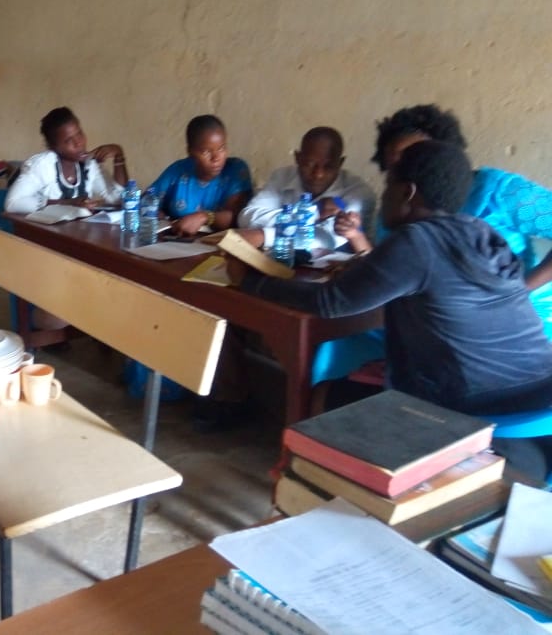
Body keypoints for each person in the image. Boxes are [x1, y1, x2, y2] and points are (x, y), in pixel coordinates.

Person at [229, 141, 552, 476]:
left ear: (407, 193)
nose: (383, 197)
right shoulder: (479, 231)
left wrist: (250, 282)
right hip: (538, 404)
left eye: (388, 186)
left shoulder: (416, 241)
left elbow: (329, 302)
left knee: (325, 394)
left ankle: (314, 483)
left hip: (477, 411)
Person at [314, 104, 552, 387]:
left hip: (512, 324)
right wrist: (356, 237)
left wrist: (521, 290)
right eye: (396, 167)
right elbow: (389, 271)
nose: (408, 170)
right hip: (428, 320)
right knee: (333, 343)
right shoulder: (399, 206)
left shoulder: (497, 189)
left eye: (417, 156)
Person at [236, 127, 375, 253]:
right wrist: (314, 212)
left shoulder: (358, 193)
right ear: (298, 158)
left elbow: (326, 240)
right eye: (310, 164)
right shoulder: (282, 177)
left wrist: (264, 235)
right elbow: (248, 216)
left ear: (340, 163)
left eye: (328, 166)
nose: (318, 174)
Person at [4, 107, 127, 214]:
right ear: (53, 146)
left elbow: (118, 198)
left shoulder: (89, 165)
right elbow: (12, 203)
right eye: (69, 140)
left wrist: (119, 156)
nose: (78, 143)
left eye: (79, 134)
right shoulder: (43, 166)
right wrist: (67, 203)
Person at [149, 115, 252, 236]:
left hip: (219, 246)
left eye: (222, 148)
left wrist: (204, 217)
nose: (216, 158)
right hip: (177, 242)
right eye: (206, 152)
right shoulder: (178, 170)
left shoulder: (236, 170)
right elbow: (147, 200)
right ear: (190, 152)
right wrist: (163, 219)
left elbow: (236, 218)